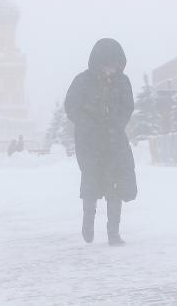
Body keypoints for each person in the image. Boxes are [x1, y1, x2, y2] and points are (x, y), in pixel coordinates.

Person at [64, 38, 136, 246]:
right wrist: (87, 123)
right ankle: (88, 222)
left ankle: (113, 232)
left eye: (114, 65)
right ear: (97, 63)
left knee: (116, 187)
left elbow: (127, 106)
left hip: (114, 141)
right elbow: (71, 106)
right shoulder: (82, 81)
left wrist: (115, 123)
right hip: (89, 142)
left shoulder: (123, 82)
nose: (110, 70)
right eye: (106, 64)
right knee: (91, 183)